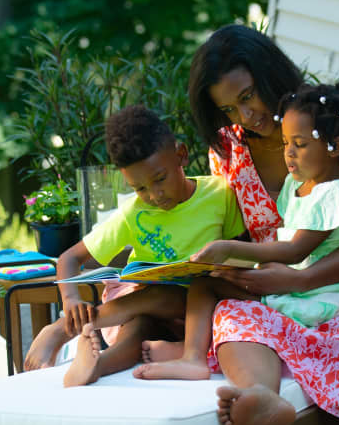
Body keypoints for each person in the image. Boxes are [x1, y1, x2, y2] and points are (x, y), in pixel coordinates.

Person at [176, 24, 339, 425]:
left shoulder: (330, 126)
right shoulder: (227, 149)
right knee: (232, 320)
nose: (245, 117)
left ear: (269, 76)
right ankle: (261, 398)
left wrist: (302, 280)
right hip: (272, 286)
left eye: (248, 96)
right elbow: (244, 233)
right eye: (229, 109)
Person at [131, 82, 339, 383]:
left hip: (319, 292)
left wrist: (230, 249)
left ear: (334, 147)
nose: (289, 154)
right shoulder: (296, 187)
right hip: (294, 280)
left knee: (210, 287)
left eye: (300, 144)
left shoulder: (338, 194)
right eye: (286, 143)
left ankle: (193, 355)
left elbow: (296, 250)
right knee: (208, 283)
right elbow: (284, 243)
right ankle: (191, 356)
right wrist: (256, 266)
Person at [25, 104, 245, 387]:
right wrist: (71, 302)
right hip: (145, 308)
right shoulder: (134, 212)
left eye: (160, 179)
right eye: (139, 188)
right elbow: (69, 258)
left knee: (171, 298)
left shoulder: (219, 194)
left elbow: (241, 252)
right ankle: (90, 360)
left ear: (181, 155)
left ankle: (71, 340)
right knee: (140, 326)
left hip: (201, 311)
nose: (154, 195)